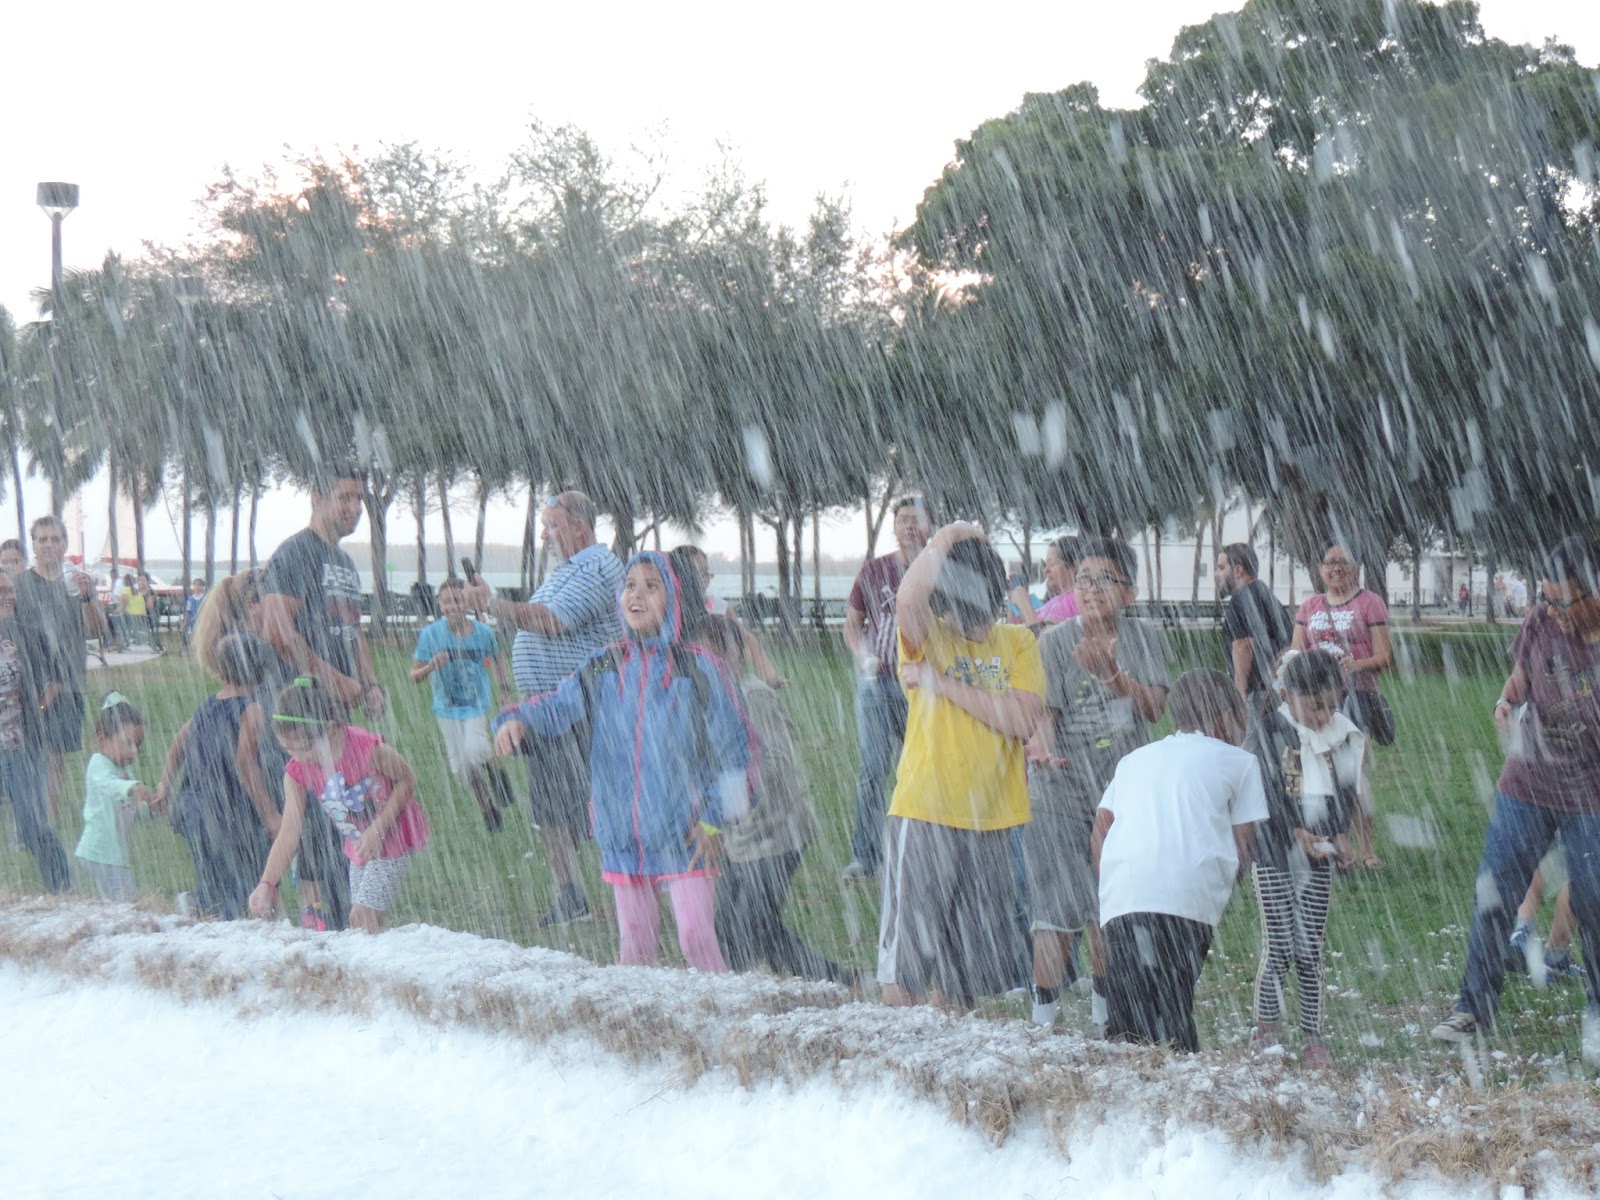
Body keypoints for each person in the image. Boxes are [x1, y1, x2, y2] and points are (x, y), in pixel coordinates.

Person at [492, 551, 753, 972]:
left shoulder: (701, 671)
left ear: (676, 598)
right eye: (630, 585)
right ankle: (636, 1031)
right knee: (634, 948)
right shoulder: (602, 667)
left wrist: (714, 822)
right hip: (621, 837)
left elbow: (737, 752)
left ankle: (721, 1019)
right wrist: (515, 719)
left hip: (686, 835)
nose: (637, 594)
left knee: (696, 938)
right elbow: (555, 705)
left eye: (652, 586)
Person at [1432, 537, 1600, 1055]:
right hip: (1529, 779)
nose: (1553, 611)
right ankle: (1473, 1007)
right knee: (1493, 893)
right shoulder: (1541, 620)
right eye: (1546, 599)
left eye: (1563, 601)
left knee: (1595, 901)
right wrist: (1507, 699)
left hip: (1592, 790)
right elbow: (1524, 675)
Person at [875, 523, 1044, 1010]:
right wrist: (949, 535)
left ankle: (947, 1066)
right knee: (905, 966)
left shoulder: (1017, 643)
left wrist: (941, 684)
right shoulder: (930, 636)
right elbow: (908, 599)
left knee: (964, 973)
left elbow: (1022, 719)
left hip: (990, 818)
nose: (970, 624)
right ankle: (896, 1068)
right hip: (925, 810)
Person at [1025, 537, 1169, 1029]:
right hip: (1061, 788)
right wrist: (1041, 745)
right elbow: (1046, 713)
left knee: (1111, 902)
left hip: (1122, 791)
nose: (1090, 590)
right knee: (1056, 904)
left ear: (1128, 592)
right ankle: (1042, 1020)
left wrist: (1113, 676)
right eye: (1083, 579)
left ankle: (1104, 1016)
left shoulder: (1145, 638)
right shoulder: (1054, 642)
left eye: (1103, 580)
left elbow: (1154, 708)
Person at [469, 491, 623, 928]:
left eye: (553, 525)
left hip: (583, 705)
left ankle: (627, 891)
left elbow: (552, 621)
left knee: (594, 803)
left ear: (580, 526)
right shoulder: (563, 571)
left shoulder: (599, 567)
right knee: (551, 805)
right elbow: (537, 614)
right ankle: (570, 893)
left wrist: (492, 605)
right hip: (546, 711)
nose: (546, 534)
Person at [1092, 669, 1265, 1053]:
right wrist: (1222, 881)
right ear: (1223, 717)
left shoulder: (1134, 759)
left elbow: (1101, 829)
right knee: (1173, 1000)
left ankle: (1123, 1081)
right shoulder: (1241, 762)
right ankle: (1181, 1081)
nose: (1243, 730)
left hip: (1124, 894)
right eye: (1241, 719)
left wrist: (1114, 884)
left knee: (1128, 1010)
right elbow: (1245, 839)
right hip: (1189, 894)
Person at [257, 466, 386, 931]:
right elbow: (276, 630)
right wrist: (334, 681)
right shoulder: (293, 554)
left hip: (338, 713)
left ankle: (349, 912)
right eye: (344, 497)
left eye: (359, 500)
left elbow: (354, 633)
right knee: (311, 815)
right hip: (303, 713)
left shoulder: (346, 564)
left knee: (350, 813)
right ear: (317, 497)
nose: (353, 508)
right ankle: (316, 913)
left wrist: (368, 686)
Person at [700, 614, 851, 983]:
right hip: (742, 836)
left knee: (748, 929)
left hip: (778, 833)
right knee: (731, 932)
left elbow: (776, 768)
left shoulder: (755, 698)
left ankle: (833, 982)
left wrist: (727, 810)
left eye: (706, 656)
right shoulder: (712, 699)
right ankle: (833, 980)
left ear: (731, 655)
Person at [1245, 649, 1366, 1066]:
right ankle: (1266, 1028)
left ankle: (1313, 1034)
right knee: (1278, 945)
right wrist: (1296, 833)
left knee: (1310, 948)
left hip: (1318, 858)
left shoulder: (1341, 736)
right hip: (1277, 855)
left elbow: (1345, 792)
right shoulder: (1272, 732)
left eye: (1331, 705)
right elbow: (1265, 797)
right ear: (1287, 694)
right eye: (1315, 705)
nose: (1323, 715)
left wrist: (1341, 835)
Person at [248, 679, 429, 934]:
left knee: (362, 916)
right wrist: (267, 882)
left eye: (304, 748)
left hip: (393, 835)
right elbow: (289, 831)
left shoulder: (367, 749)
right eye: (287, 749)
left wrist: (377, 829)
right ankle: (378, 963)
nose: (297, 757)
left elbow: (407, 779)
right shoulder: (297, 772)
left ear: (331, 728)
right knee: (363, 923)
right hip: (358, 843)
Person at [155, 634, 279, 920]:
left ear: (221, 671)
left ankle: (199, 903)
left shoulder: (206, 707)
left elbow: (178, 743)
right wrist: (270, 813)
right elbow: (246, 763)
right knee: (243, 880)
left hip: (194, 807)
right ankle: (226, 920)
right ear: (259, 670)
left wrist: (165, 784)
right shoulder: (253, 709)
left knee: (214, 875)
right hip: (228, 813)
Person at [842, 496, 934, 880]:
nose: (909, 526)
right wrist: (864, 657)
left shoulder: (939, 571)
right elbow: (852, 624)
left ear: (930, 527)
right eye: (903, 520)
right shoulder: (873, 571)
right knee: (872, 770)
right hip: (878, 686)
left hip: (926, 686)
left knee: (926, 766)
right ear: (893, 528)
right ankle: (865, 857)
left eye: (917, 520)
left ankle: (925, 850)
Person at [1290, 539, 1392, 869]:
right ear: (1320, 570)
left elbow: (1383, 656)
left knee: (1352, 773)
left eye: (1343, 562)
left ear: (1354, 568)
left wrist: (1354, 666)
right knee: (1317, 770)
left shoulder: (1370, 604)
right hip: (1316, 703)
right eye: (1329, 562)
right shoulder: (1309, 608)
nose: (1336, 568)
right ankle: (1328, 837)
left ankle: (1365, 847)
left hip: (1356, 698)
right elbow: (1295, 654)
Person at [15, 515, 108, 823]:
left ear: (65, 544)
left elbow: (97, 630)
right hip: (27, 684)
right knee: (25, 755)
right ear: (34, 545)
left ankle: (48, 822)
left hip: (68, 685)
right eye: (43, 539)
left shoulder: (77, 585)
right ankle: (27, 819)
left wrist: (87, 598)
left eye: (55, 539)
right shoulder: (19, 586)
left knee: (55, 757)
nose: (49, 545)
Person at [410, 577, 515, 831]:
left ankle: (495, 771)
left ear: (467, 603)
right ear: (440, 606)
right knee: (462, 769)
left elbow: (497, 657)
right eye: (447, 602)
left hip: (475, 704)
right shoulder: (430, 636)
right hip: (445, 709)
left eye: (458, 600)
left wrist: (503, 690)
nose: (453, 606)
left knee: (475, 749)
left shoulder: (483, 634)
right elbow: (413, 676)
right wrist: (431, 666)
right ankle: (488, 809)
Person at [0, 569, 70, 892]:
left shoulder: (27, 634)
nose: (9, 596)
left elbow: (57, 675)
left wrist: (39, 709)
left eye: (10, 590)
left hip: (22, 745)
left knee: (32, 826)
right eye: (1, 590)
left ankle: (62, 887)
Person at [75, 694, 156, 902]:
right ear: (102, 738)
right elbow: (110, 786)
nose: (134, 751)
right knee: (124, 902)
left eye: (138, 744)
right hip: (100, 850)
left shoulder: (124, 769)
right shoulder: (99, 765)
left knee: (118, 901)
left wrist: (151, 809)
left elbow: (130, 806)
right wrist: (132, 787)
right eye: (127, 743)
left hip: (113, 853)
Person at [669, 545, 783, 688]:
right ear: (676, 576)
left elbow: (746, 639)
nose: (704, 580)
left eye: (706, 574)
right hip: (682, 676)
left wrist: (770, 676)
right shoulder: (666, 608)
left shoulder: (717, 606)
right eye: (697, 573)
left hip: (722, 677)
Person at [1215, 542, 1292, 713]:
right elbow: (1286, 646)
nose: (1217, 574)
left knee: (1249, 740)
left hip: (1257, 695)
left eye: (1221, 568)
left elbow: (1244, 646)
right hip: (1278, 693)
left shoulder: (1240, 599)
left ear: (1238, 570)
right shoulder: (1267, 595)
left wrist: (1239, 696)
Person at [1009, 537, 1081, 627]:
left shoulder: (1076, 599)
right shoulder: (1054, 602)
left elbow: (1041, 636)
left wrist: (1024, 604)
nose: (1046, 570)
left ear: (1073, 566)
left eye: (1052, 563)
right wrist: (1013, 598)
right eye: (1046, 564)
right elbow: (1014, 629)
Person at [136, 572, 161, 651]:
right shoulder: (136, 592)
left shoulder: (151, 592)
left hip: (149, 616)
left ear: (147, 581)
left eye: (143, 580)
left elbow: (149, 606)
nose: (141, 582)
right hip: (137, 615)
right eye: (139, 580)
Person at [182, 578, 206, 655]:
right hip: (192, 621)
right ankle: (193, 650)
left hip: (202, 620)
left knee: (202, 635)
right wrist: (185, 622)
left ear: (203, 587)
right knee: (193, 635)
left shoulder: (204, 598)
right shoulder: (190, 598)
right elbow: (188, 611)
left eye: (199, 585)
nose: (197, 587)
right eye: (195, 585)